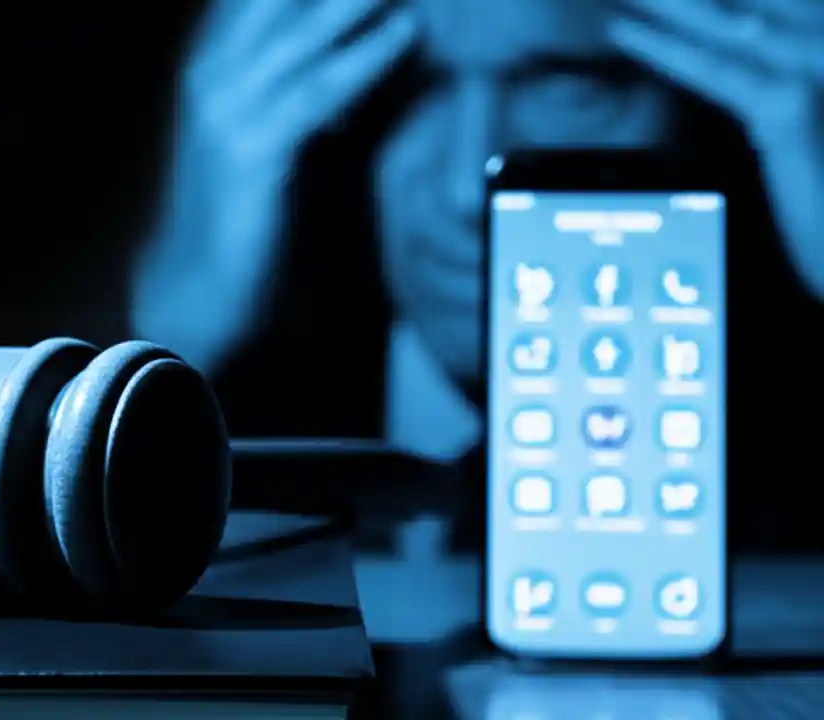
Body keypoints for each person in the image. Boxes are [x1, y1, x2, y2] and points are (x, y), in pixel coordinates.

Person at [129, 0, 823, 546]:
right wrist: (173, 332)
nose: (468, 184)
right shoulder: (251, 432)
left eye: (567, 90)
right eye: (410, 87)